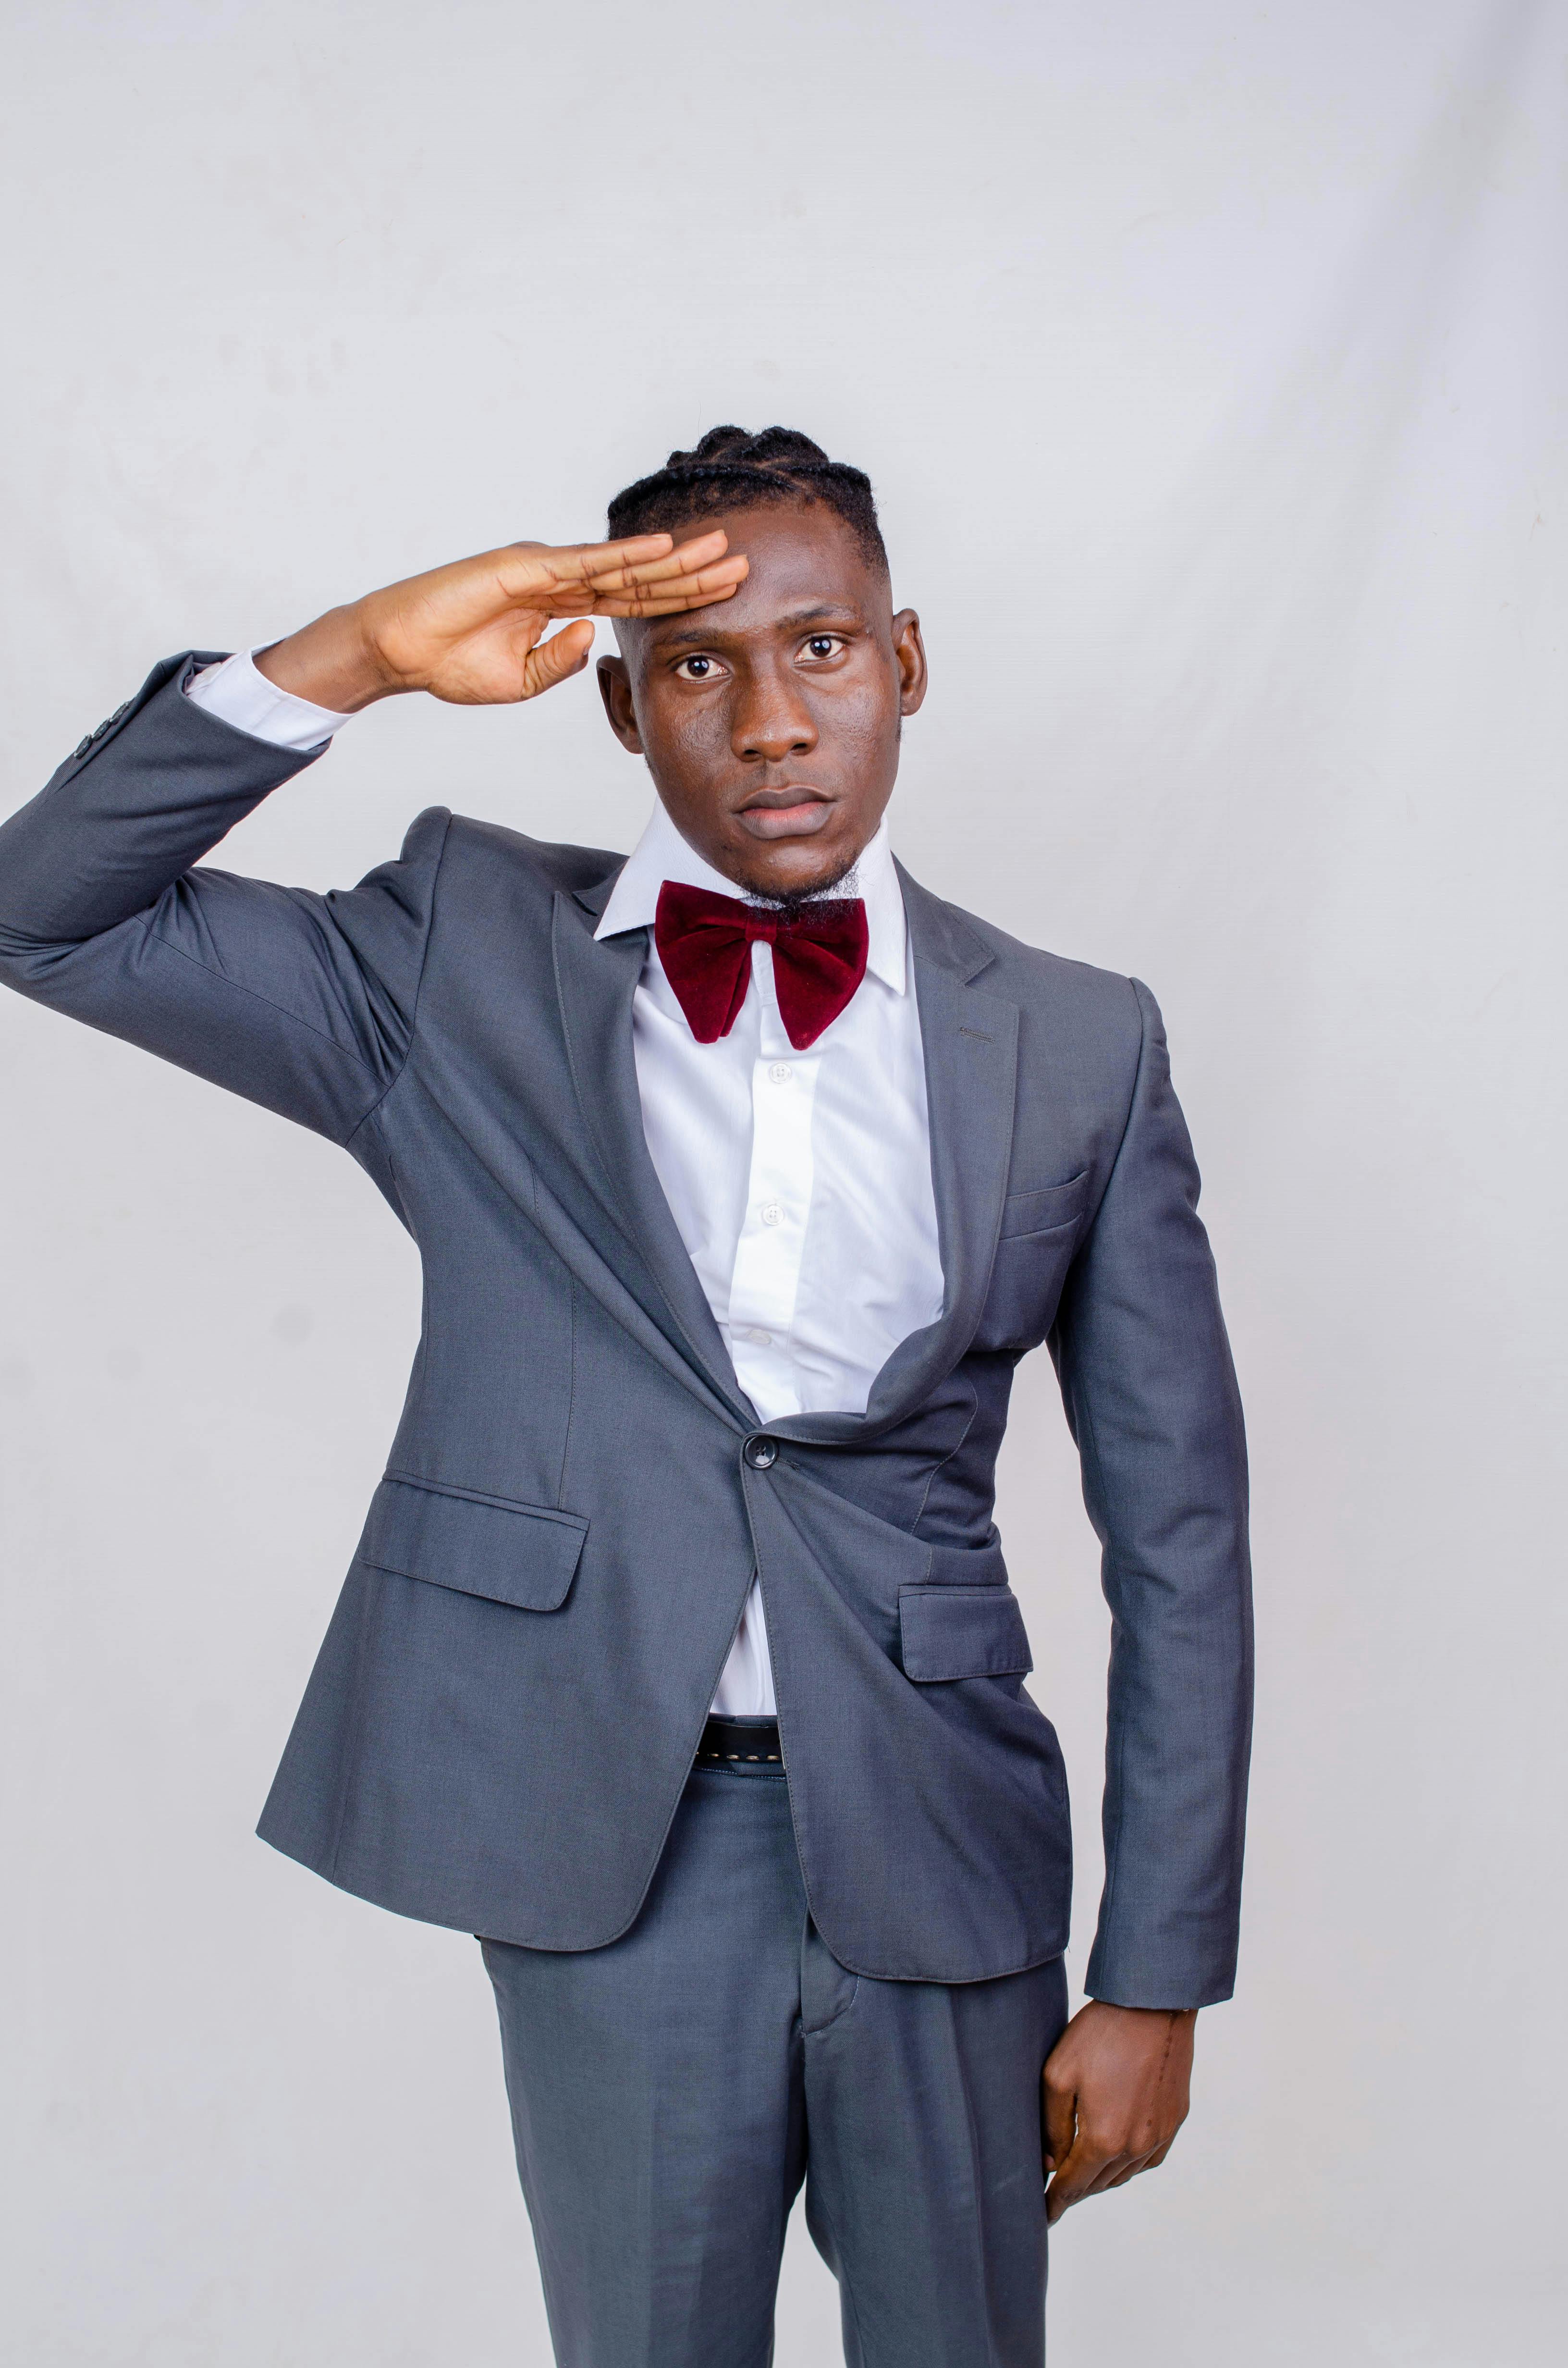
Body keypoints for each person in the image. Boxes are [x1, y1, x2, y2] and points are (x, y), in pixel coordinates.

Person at [0, 425, 1252, 2368]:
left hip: (940, 1836)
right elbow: (44, 909)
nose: (772, 721)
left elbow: (1178, 1534)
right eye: (699, 665)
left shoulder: (1079, 1043)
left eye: (820, 650)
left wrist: (1159, 1966)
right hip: (611, 1835)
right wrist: (359, 651)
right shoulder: (457, 961)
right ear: (615, 703)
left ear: (903, 662)